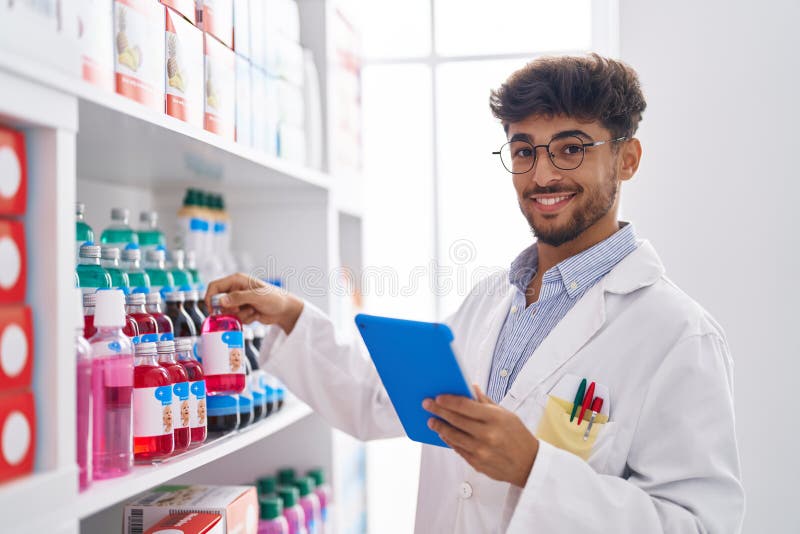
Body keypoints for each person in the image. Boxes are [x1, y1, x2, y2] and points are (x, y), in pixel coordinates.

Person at [206, 54, 744, 533]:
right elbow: (382, 402)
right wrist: (290, 316)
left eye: (571, 149)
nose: (543, 175)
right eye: (524, 150)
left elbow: (699, 524)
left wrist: (533, 469)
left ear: (627, 159)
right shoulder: (492, 301)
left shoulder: (677, 335)